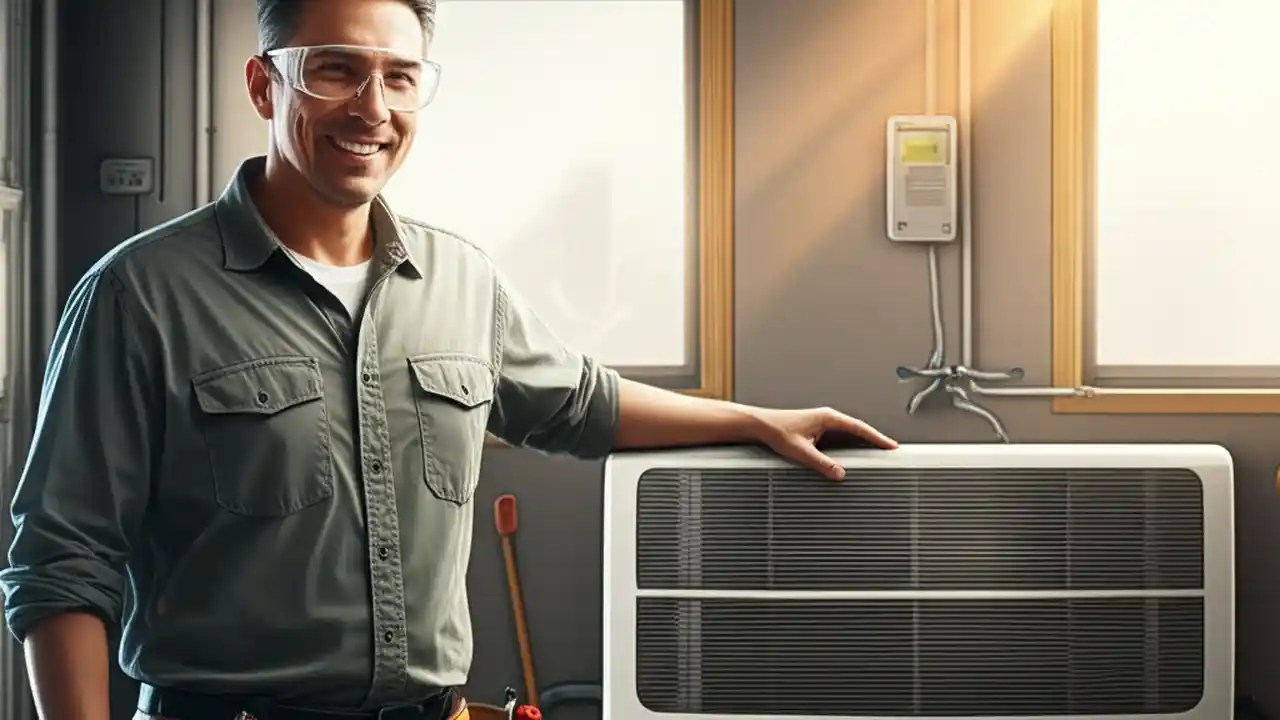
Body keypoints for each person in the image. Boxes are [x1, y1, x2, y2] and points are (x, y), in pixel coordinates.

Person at [0, 1, 897, 719]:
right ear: (265, 87)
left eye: (399, 76)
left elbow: (581, 405)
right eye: (336, 69)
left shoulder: (460, 278)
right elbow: (59, 561)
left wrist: (755, 421)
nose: (373, 108)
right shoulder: (140, 293)